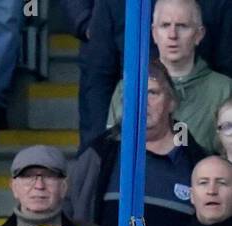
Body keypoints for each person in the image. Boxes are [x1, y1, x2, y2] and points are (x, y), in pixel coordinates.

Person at [68, 61, 207, 226]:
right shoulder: (97, 156)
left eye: (152, 93)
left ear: (172, 102)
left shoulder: (197, 161)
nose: (143, 101)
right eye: (134, 93)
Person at [81, 0, 232, 146]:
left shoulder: (223, 89)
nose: (172, 34)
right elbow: (112, 150)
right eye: (165, 25)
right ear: (153, 33)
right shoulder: (127, 88)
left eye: (182, 26)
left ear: (199, 34)